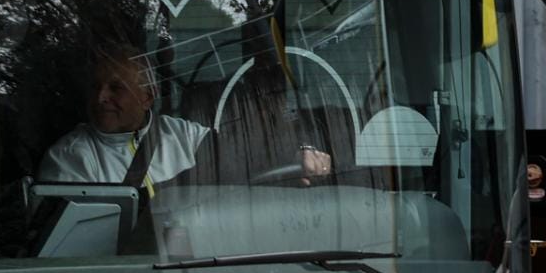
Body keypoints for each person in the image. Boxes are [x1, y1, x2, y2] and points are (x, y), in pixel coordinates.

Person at [40, 44, 330, 189]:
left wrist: (296, 156)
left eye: (116, 88)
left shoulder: (182, 135)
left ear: (148, 97)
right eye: (96, 87)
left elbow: (244, 156)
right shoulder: (68, 160)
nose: (101, 97)